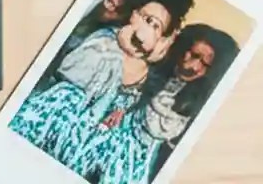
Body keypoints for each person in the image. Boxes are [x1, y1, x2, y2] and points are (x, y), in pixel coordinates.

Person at [9, 0, 194, 166]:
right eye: (148, 19)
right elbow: (73, 71)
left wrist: (122, 107)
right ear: (136, 14)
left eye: (157, 27)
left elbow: (136, 95)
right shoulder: (107, 38)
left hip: (101, 124)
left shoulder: (152, 66)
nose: (150, 28)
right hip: (68, 105)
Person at [71, 25, 239, 183]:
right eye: (194, 55)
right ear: (183, 49)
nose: (195, 67)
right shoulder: (151, 71)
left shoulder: (201, 106)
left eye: (205, 65)